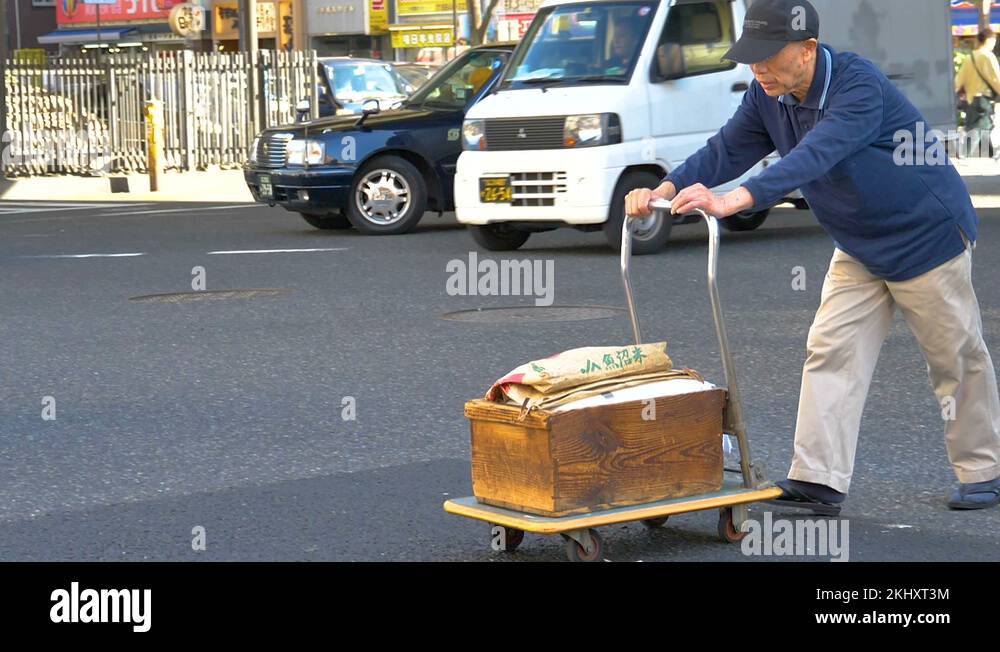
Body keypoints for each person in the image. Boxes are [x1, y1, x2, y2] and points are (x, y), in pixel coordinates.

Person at [626, 0, 1000, 511]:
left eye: (767, 57)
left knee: (955, 357)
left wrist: (737, 199)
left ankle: (985, 470)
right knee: (831, 350)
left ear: (807, 49)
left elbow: (815, 154)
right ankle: (818, 478)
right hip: (858, 243)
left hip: (924, 235)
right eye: (749, 57)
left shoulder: (856, 84)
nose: (756, 69)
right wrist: (663, 188)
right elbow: (726, 148)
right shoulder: (767, 95)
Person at [956, 29, 1000, 159]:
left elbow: (959, 80)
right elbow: (995, 78)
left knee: (981, 125)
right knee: (980, 126)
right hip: (983, 99)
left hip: (971, 99)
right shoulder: (987, 56)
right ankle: (965, 153)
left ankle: (991, 154)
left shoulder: (970, 58)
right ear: (988, 40)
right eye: (994, 41)